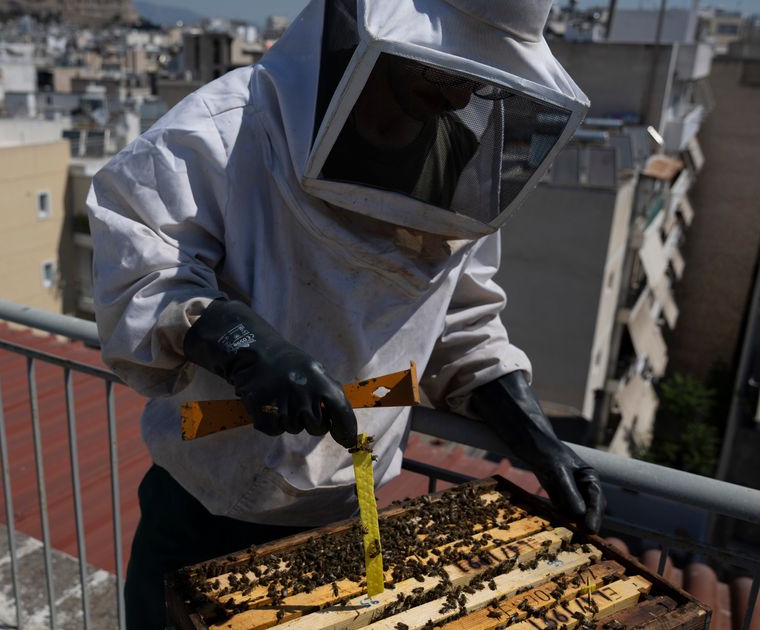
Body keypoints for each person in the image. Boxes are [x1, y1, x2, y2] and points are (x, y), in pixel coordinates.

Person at [87, 0, 605, 626]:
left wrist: (532, 432)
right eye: (449, 63)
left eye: (483, 70)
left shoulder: (460, 163)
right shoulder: (225, 129)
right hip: (204, 506)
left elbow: (460, 320)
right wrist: (247, 344)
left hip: (350, 512)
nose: (465, 87)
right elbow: (143, 271)